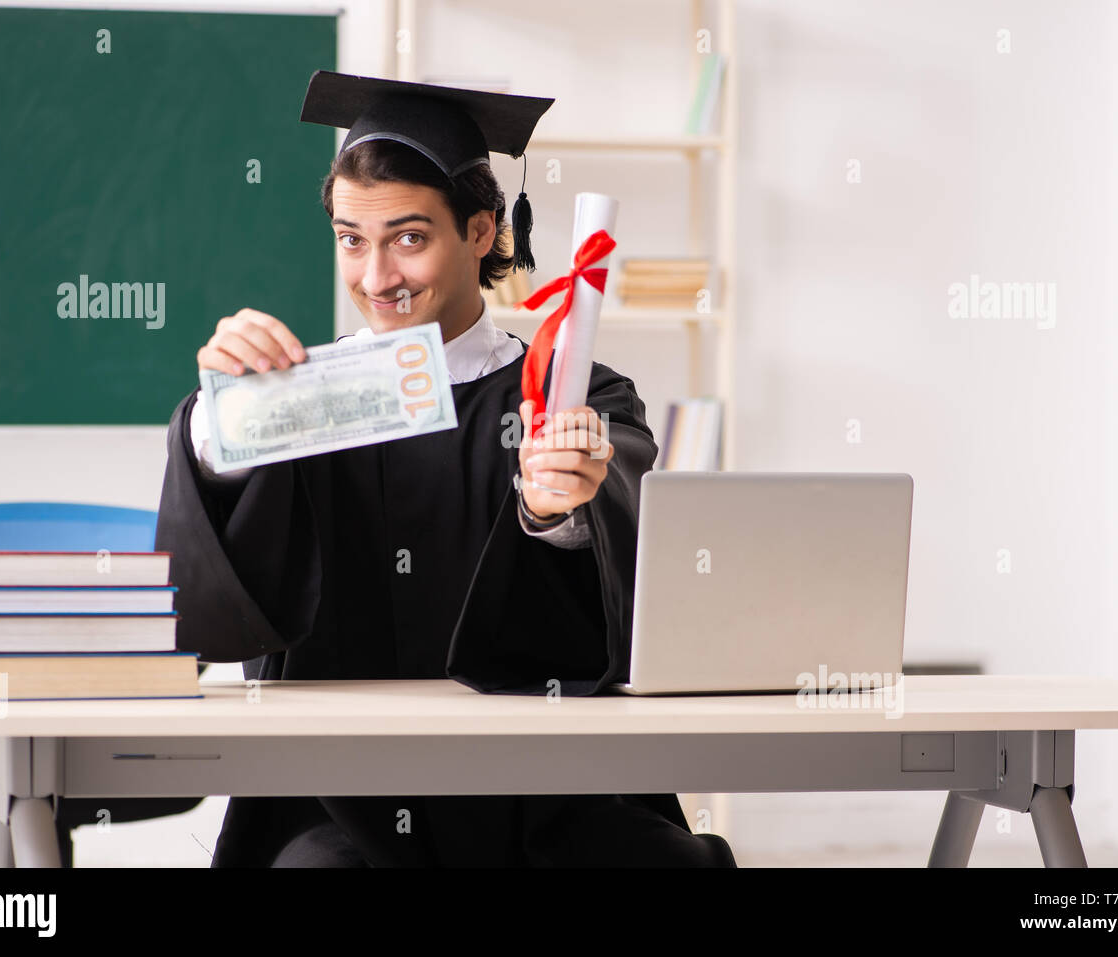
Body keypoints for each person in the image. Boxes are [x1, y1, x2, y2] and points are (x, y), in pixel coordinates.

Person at [154, 71, 736, 867]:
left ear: (482, 231)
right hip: (340, 793)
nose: (376, 277)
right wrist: (219, 428)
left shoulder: (574, 396)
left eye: (409, 237)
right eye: (353, 240)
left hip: (541, 792)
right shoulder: (305, 398)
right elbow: (215, 614)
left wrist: (558, 508)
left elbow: (627, 565)